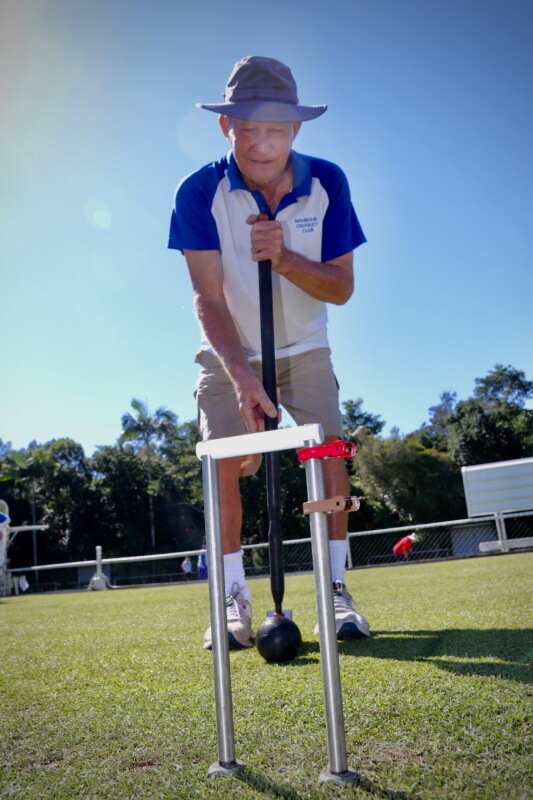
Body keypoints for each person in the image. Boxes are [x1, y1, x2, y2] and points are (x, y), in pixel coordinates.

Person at [168, 56, 370, 650]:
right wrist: (240, 376)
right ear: (225, 127)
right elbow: (207, 298)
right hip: (229, 348)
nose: (261, 144)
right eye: (248, 128)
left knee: (329, 451)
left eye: (275, 130)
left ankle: (335, 590)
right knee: (223, 460)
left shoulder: (327, 182)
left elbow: (342, 287)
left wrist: (283, 257)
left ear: (297, 130)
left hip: (305, 346)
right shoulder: (199, 191)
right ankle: (232, 599)